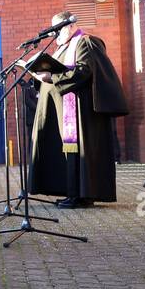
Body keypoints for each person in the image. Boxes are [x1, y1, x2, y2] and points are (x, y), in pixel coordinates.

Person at [28, 12, 128, 207]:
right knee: (64, 151)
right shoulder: (61, 48)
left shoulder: (86, 42)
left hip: (81, 112)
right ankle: (70, 191)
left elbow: (84, 70)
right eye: (53, 32)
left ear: (70, 26)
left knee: (79, 151)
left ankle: (82, 196)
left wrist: (53, 79)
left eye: (59, 30)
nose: (55, 35)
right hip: (61, 108)